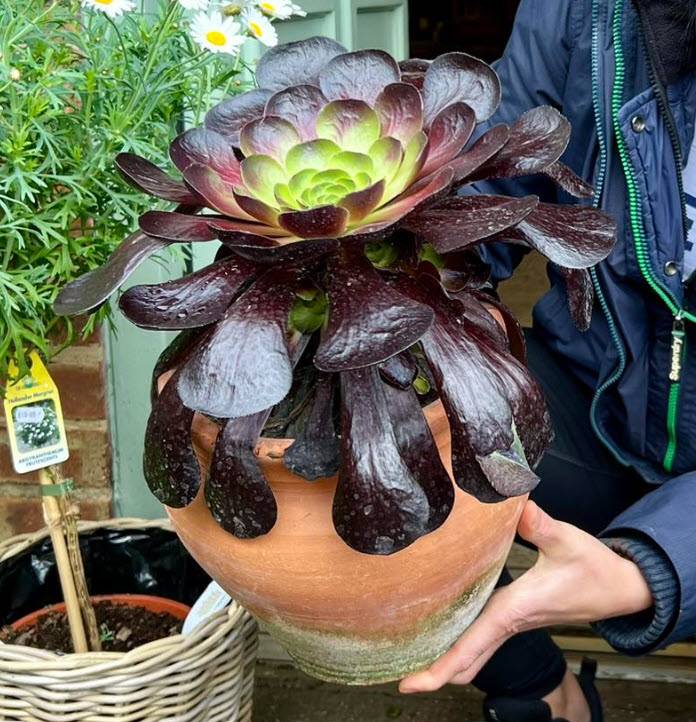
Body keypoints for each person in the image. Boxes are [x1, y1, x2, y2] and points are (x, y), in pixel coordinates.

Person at [399, 1, 696, 721]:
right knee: (371, 425)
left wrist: (661, 561)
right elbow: (495, 172)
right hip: (603, 408)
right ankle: (551, 695)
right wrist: (378, 278)